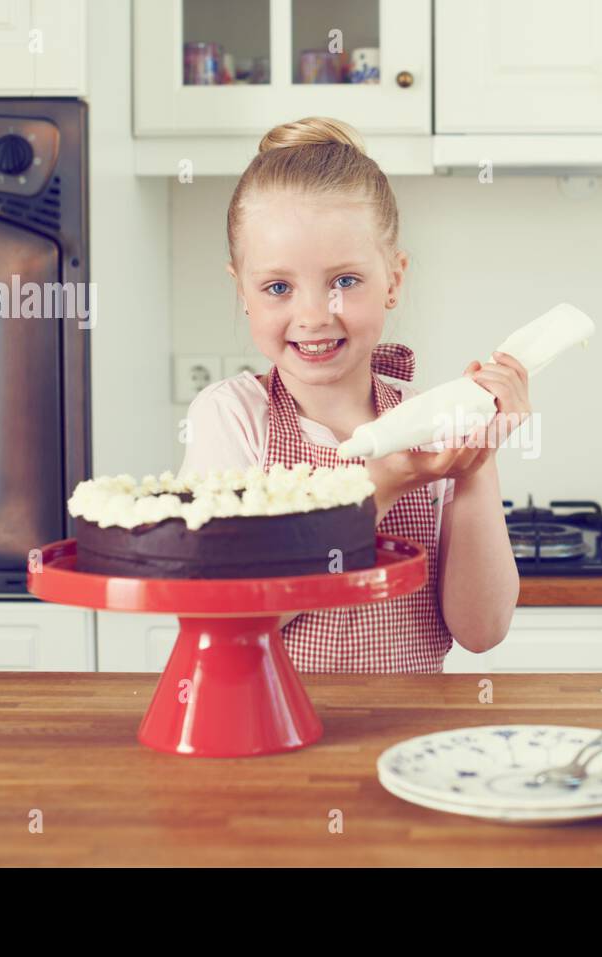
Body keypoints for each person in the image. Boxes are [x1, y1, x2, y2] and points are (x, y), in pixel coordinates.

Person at [179, 116, 526, 673]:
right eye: (278, 287)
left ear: (393, 279)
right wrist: (380, 488)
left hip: (409, 745)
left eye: (344, 281)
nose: (315, 314)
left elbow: (481, 631)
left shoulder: (427, 423)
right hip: (270, 743)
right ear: (241, 291)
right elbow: (231, 620)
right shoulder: (233, 418)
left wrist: (475, 464)